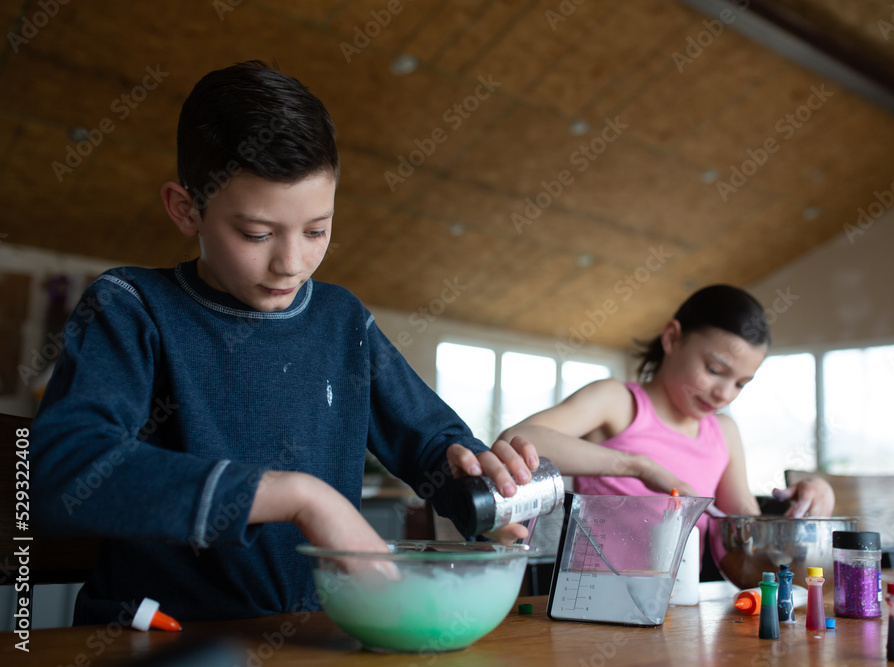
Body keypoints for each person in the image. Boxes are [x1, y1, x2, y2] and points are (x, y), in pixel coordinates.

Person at [30, 61, 536, 625]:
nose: (291, 263)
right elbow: (62, 469)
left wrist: (483, 487)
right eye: (257, 234)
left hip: (310, 639)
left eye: (317, 230)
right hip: (162, 639)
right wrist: (300, 496)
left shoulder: (341, 320)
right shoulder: (131, 306)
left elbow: (430, 442)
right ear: (186, 209)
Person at [499, 285, 834, 543]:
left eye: (741, 384)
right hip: (599, 601)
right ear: (672, 338)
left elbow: (745, 529)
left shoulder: (724, 432)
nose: (724, 393)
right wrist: (636, 465)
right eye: (715, 369)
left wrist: (812, 501)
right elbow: (518, 440)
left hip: (684, 611)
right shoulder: (617, 402)